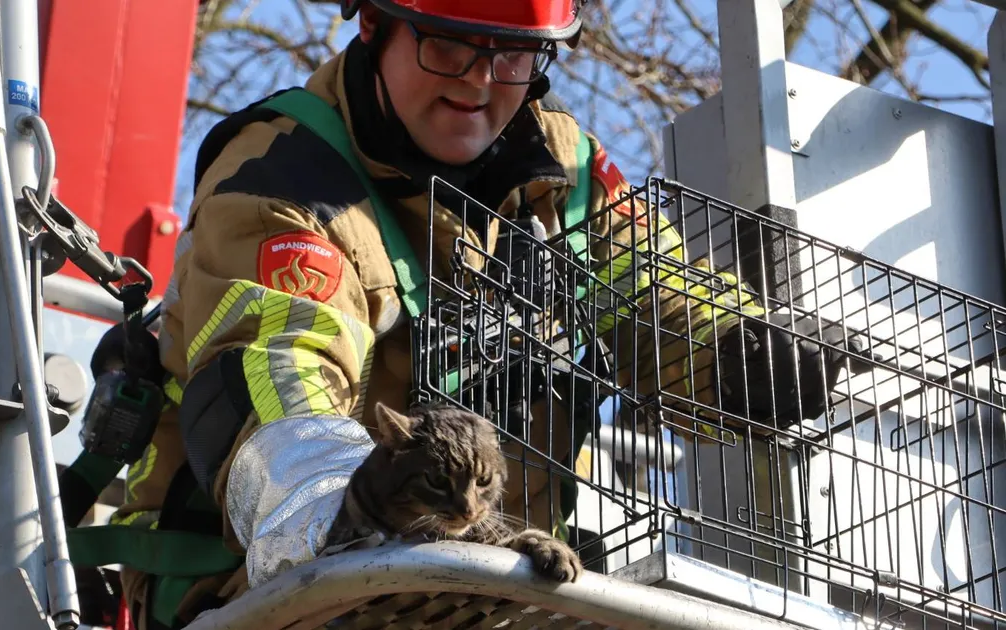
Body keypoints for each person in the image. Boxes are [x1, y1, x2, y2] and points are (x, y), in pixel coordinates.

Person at [106, 0, 861, 627]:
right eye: (448, 46)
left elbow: (649, 291)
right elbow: (276, 379)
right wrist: (345, 518)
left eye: (511, 56)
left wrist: (741, 355)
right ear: (373, 23)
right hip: (288, 593)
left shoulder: (561, 173)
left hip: (493, 593)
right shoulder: (282, 183)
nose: (479, 83)